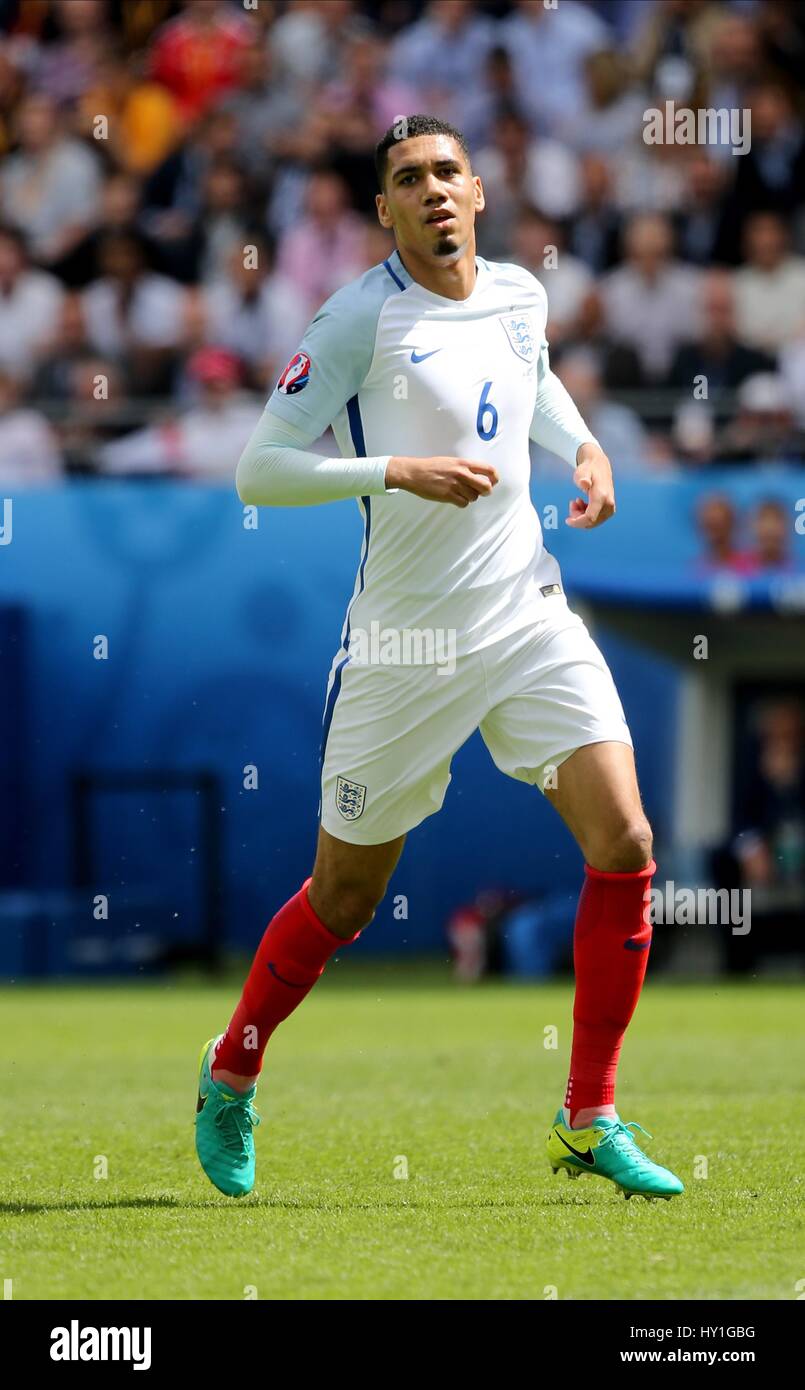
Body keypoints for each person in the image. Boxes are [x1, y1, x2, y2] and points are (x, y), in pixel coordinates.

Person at [195, 115, 683, 1204]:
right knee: (345, 898)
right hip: (402, 648)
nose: (433, 191)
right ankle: (232, 1071)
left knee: (626, 838)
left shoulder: (518, 292)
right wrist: (390, 470)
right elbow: (259, 472)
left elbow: (535, 377)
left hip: (525, 614)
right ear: (384, 210)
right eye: (408, 179)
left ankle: (589, 1115)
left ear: (477, 190)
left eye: (448, 173)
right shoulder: (359, 317)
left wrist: (586, 444)